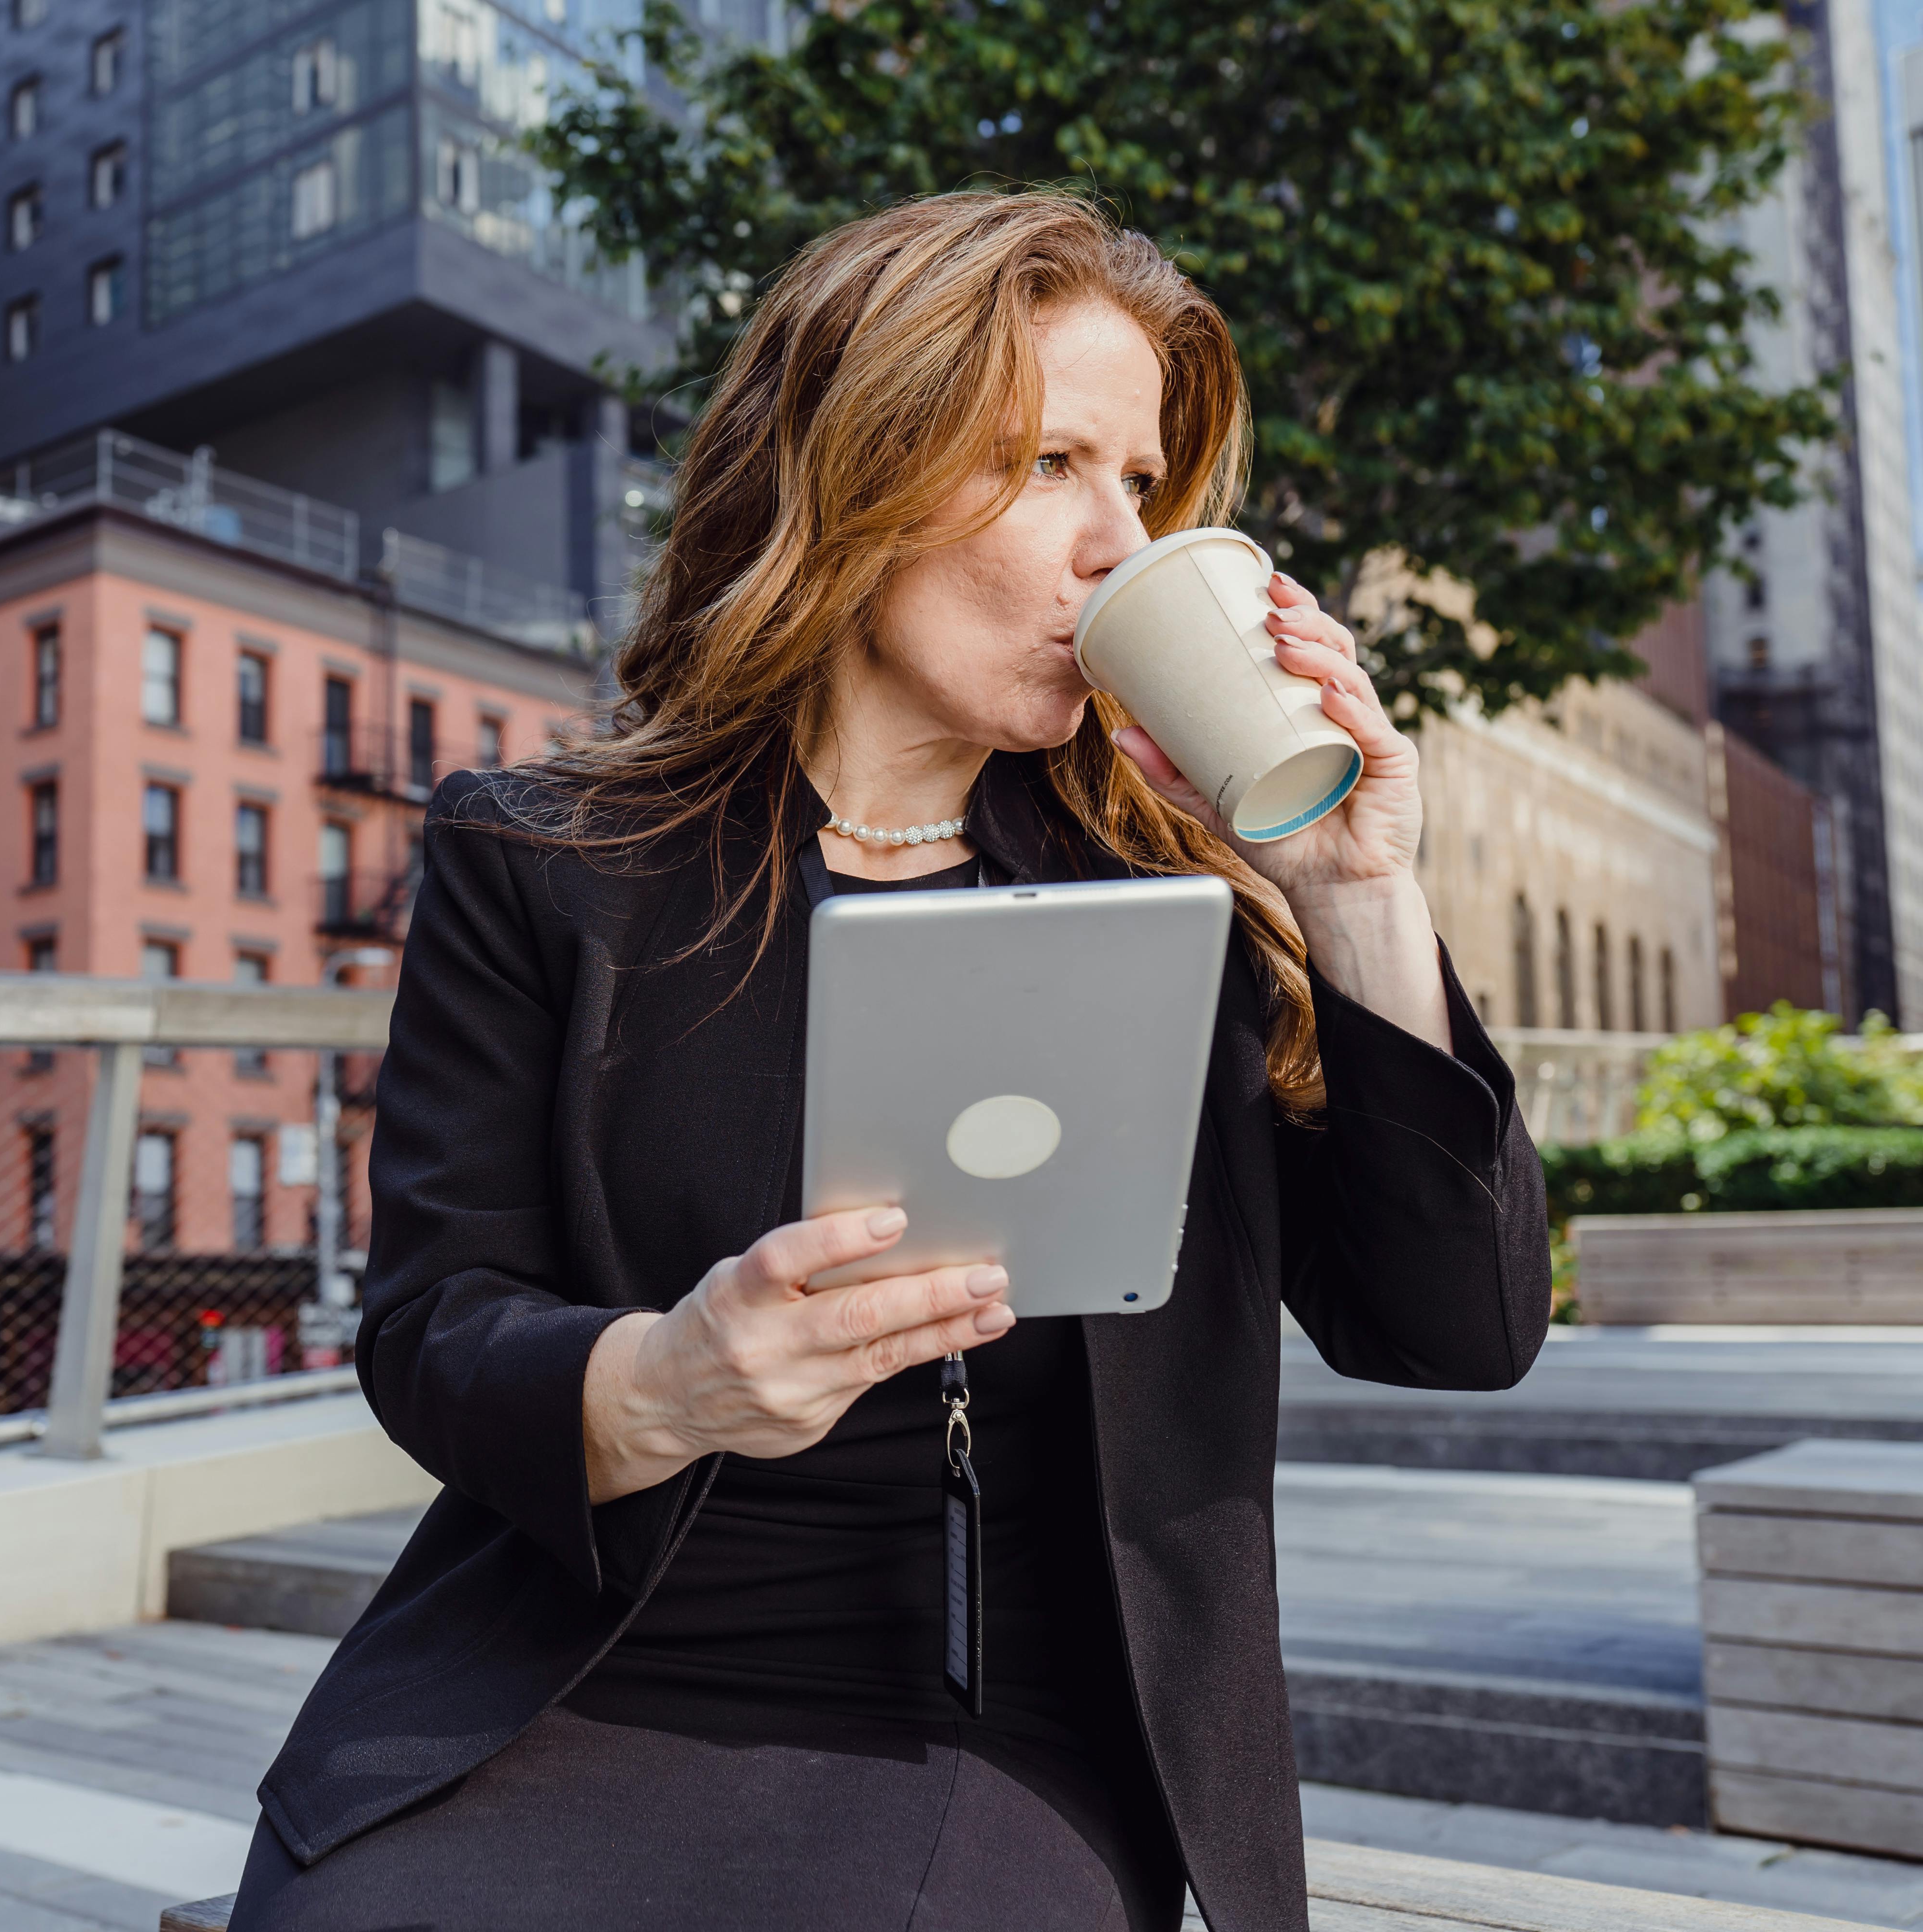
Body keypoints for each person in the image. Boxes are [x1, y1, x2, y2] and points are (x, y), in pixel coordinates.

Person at [232, 191, 1550, 1932]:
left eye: (1139, 483)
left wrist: (1359, 894)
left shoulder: (1180, 900)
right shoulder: (548, 859)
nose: (1115, 545)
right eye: (1043, 463)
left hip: (1011, 1731)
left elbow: (1459, 1329)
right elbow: (430, 1326)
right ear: (850, 477)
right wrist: (663, 1380)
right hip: (558, 1688)